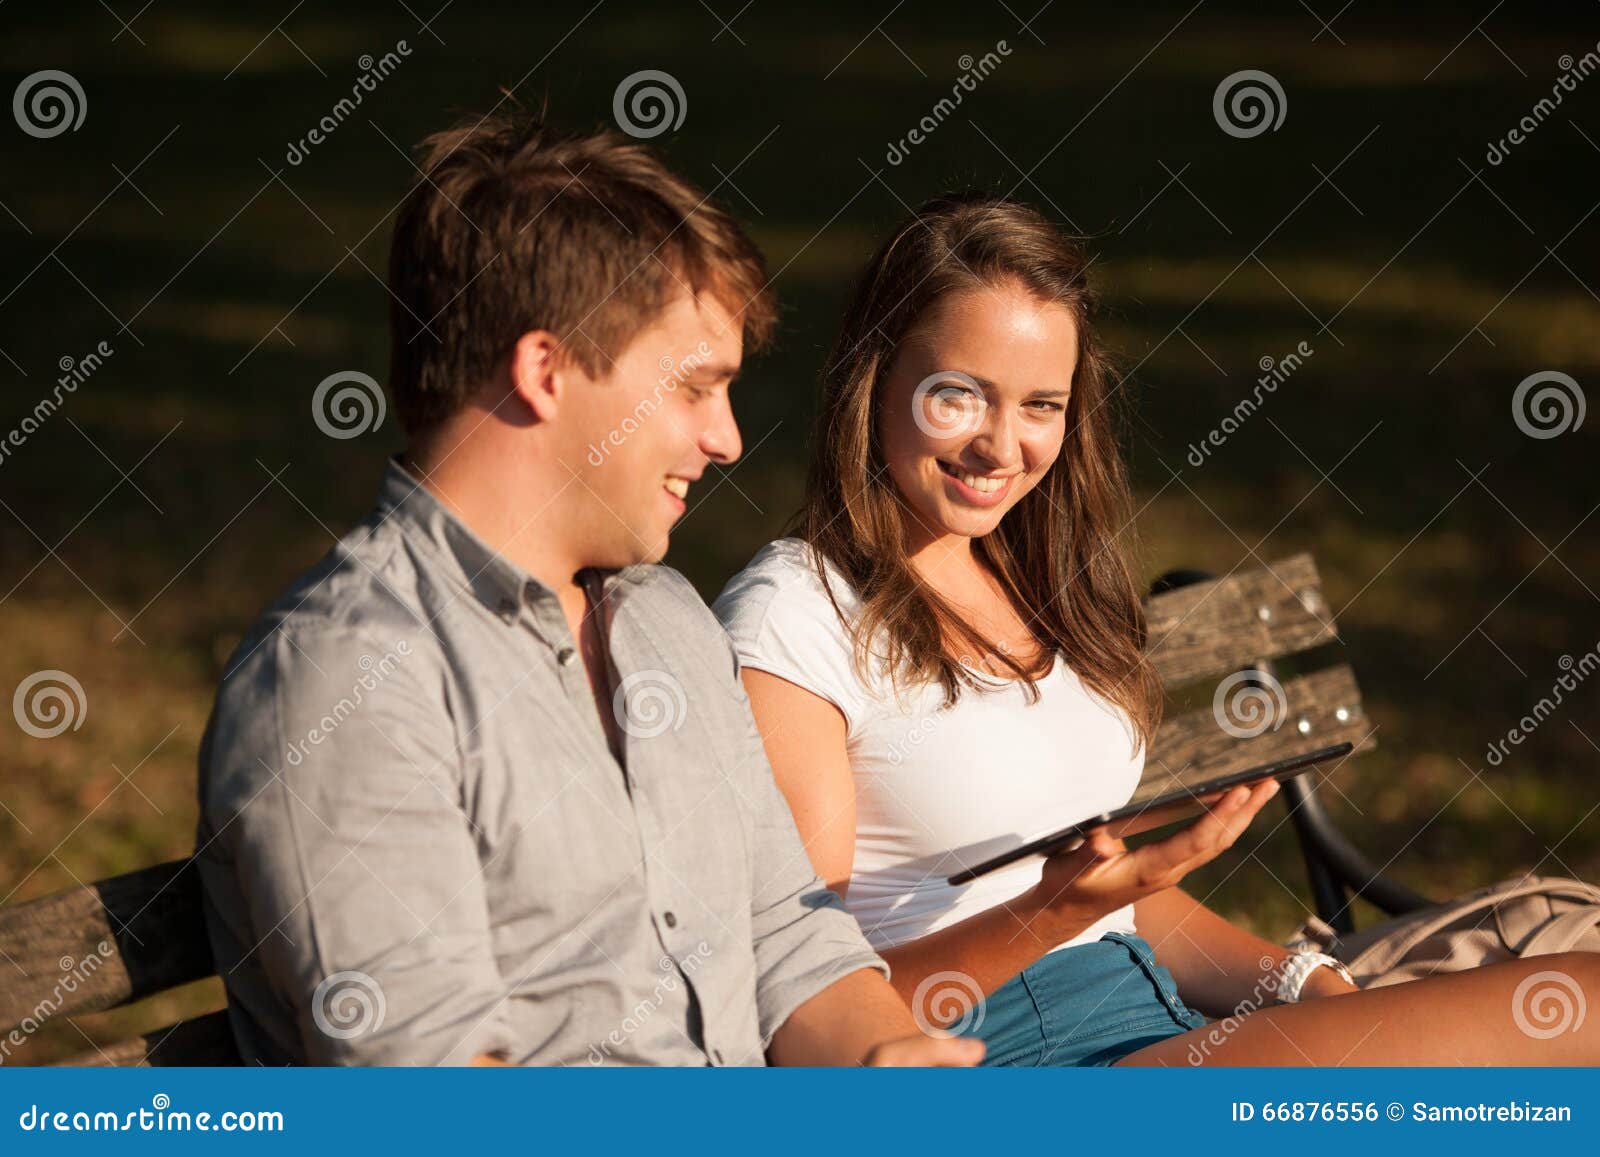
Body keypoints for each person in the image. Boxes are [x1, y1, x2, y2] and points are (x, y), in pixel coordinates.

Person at [713, 191, 1600, 1066]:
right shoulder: (796, 614)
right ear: (876, 379)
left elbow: (1123, 902)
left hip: (1165, 1026)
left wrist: (1299, 979)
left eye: (1040, 406)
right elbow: (802, 998)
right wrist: (1052, 912)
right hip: (1004, 1063)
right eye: (959, 395)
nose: (1001, 445)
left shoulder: (1033, 581)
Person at [193, 113, 982, 1068]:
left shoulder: (664, 618)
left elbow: (788, 935)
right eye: (694, 387)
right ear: (547, 371)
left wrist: (877, 1062)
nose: (727, 439)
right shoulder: (344, 682)